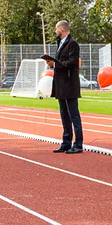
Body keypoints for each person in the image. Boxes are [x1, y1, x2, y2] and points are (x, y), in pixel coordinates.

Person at [41, 20, 83, 154]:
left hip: (70, 84)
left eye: (56, 29)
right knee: (64, 115)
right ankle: (66, 142)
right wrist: (52, 63)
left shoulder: (73, 44)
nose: (55, 31)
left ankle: (78, 144)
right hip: (60, 84)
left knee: (73, 115)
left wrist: (55, 64)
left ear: (62, 29)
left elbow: (72, 63)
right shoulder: (60, 43)